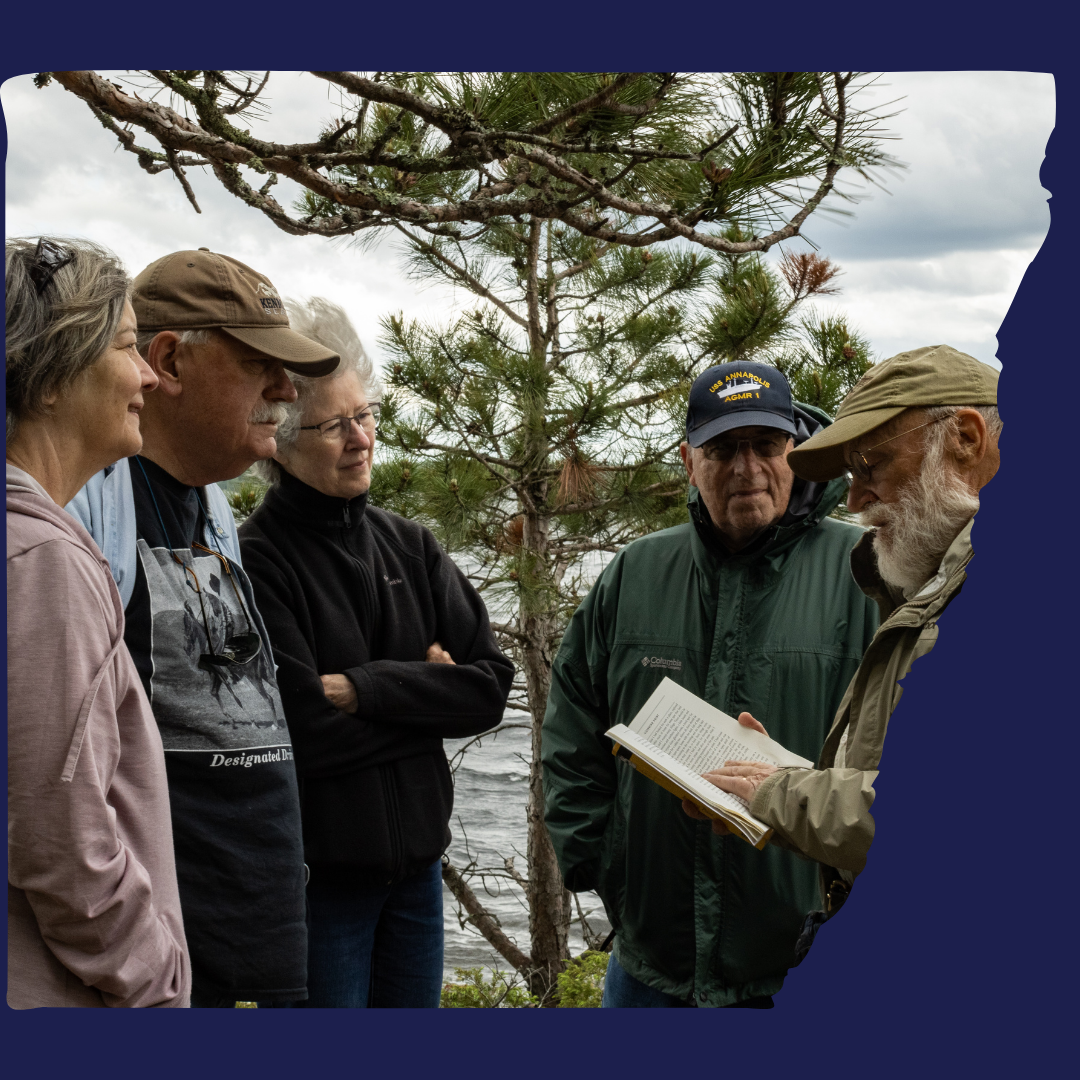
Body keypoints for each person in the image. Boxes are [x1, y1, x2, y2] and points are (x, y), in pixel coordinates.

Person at [542, 361, 880, 1009]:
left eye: (765, 445)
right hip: (651, 964)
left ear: (798, 452)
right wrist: (604, 861)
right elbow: (572, 722)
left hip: (799, 963)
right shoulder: (637, 572)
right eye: (723, 448)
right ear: (688, 460)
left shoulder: (865, 572)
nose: (746, 466)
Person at [65, 248, 340, 1008]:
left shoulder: (215, 505)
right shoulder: (83, 506)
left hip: (259, 942)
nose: (286, 391)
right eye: (261, 365)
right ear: (169, 362)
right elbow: (60, 787)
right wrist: (141, 962)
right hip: (165, 970)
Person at [238, 298, 514, 1008]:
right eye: (335, 426)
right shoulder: (260, 561)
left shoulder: (411, 545)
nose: (361, 438)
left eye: (366, 415)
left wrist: (365, 688)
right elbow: (301, 731)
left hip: (418, 877)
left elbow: (487, 689)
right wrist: (427, 694)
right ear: (284, 441)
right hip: (321, 887)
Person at [693, 345, 1000, 932]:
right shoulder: (935, 580)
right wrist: (786, 779)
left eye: (872, 467)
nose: (856, 502)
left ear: (965, 438)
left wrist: (779, 794)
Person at [6, 236, 190, 1008]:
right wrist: (155, 978)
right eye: (126, 347)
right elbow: (61, 841)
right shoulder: (41, 562)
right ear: (49, 380)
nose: (149, 374)